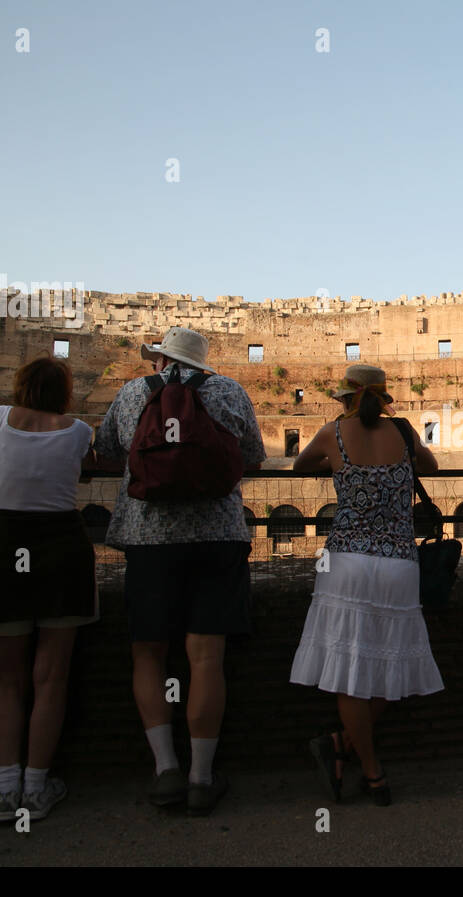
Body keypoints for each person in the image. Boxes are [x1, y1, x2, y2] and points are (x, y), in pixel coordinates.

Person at [93, 327, 265, 815]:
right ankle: (201, 777)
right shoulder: (229, 391)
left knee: (148, 654)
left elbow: (108, 450)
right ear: (201, 362)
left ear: (160, 361)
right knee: (206, 657)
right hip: (217, 536)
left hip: (149, 540)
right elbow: (252, 456)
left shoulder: (131, 394)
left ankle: (165, 768)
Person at [289, 365, 443, 806]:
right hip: (398, 562)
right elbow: (428, 465)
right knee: (388, 660)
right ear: (383, 397)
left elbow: (302, 465)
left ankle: (368, 767)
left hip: (347, 561)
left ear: (345, 399)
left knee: (350, 668)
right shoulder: (404, 430)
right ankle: (346, 746)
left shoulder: (333, 432)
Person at [0, 356, 97, 824]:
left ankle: (5, 790)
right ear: (64, 391)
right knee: (50, 677)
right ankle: (36, 788)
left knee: (8, 679)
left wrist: (7, 458)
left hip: (8, 545)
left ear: (20, 386)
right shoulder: (79, 430)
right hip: (62, 546)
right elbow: (89, 467)